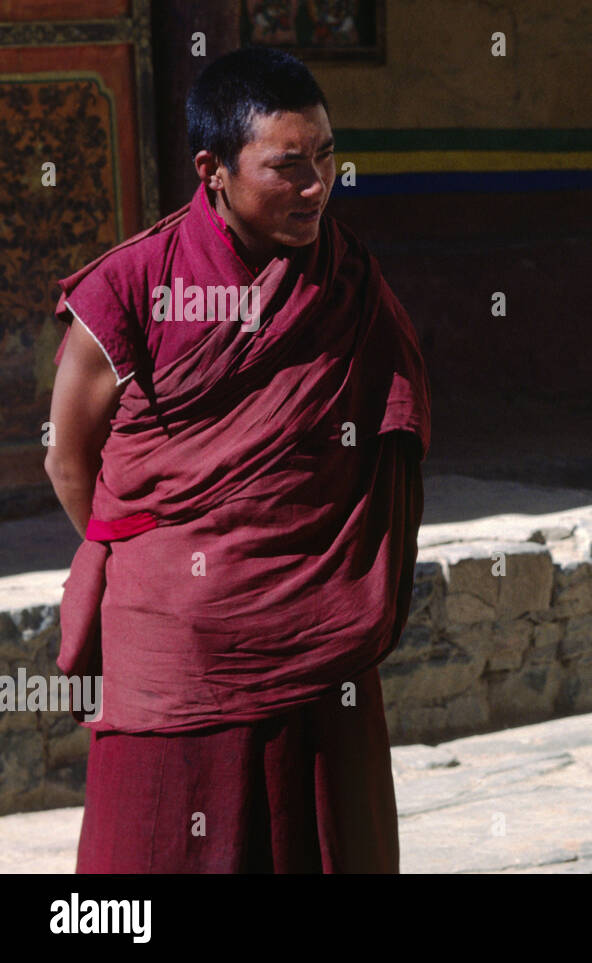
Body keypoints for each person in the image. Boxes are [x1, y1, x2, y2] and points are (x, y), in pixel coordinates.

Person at [45, 46, 430, 873]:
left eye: (327, 158)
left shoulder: (347, 281)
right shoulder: (131, 286)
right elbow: (68, 463)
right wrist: (161, 553)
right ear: (212, 169)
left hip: (318, 629)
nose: (316, 187)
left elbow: (385, 432)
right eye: (287, 167)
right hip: (176, 658)